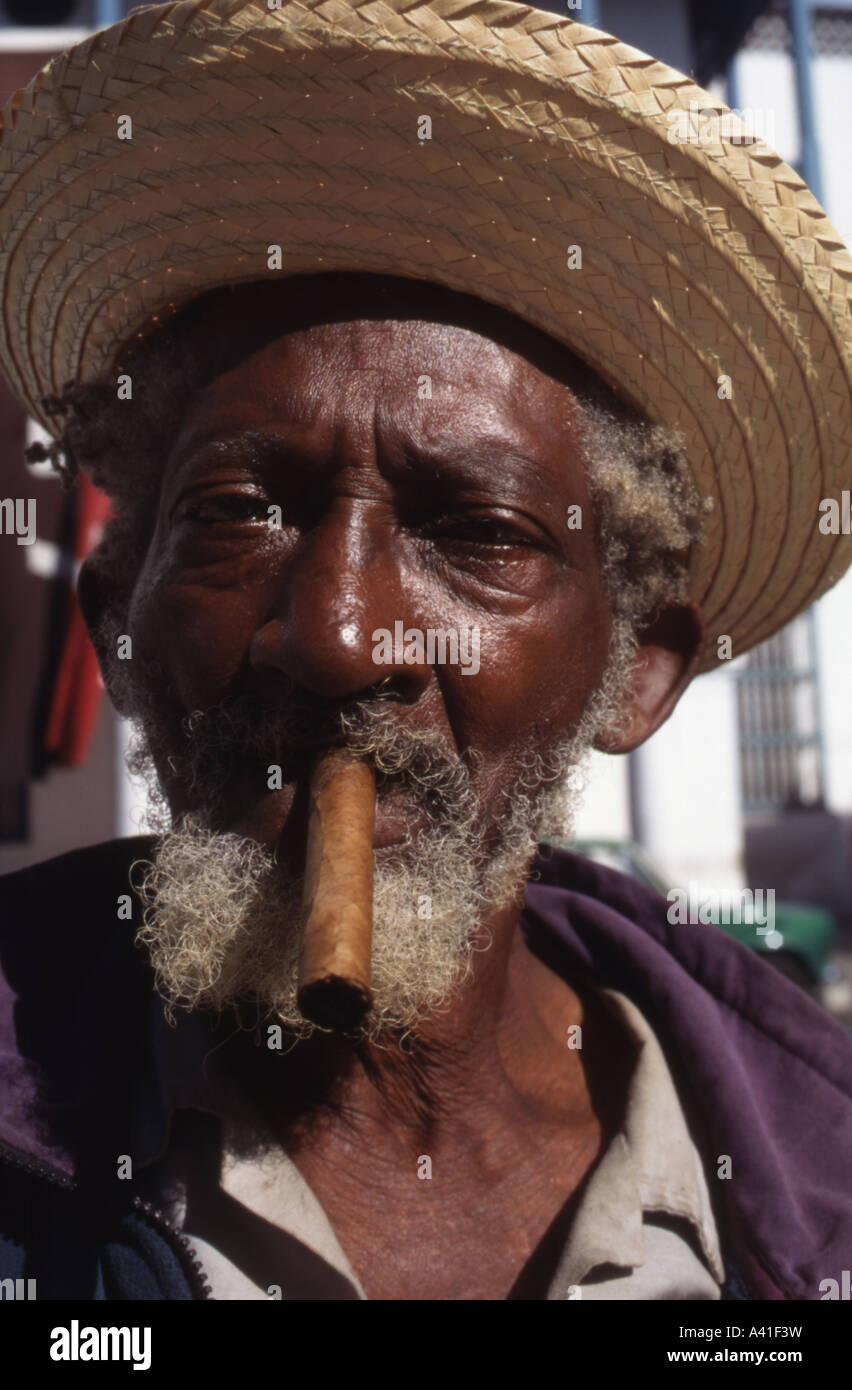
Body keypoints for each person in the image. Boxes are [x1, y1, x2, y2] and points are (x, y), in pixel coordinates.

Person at [1, 0, 850, 1302]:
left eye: (477, 532)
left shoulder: (808, 1187)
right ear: (118, 621)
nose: (338, 636)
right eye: (241, 511)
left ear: (636, 669)